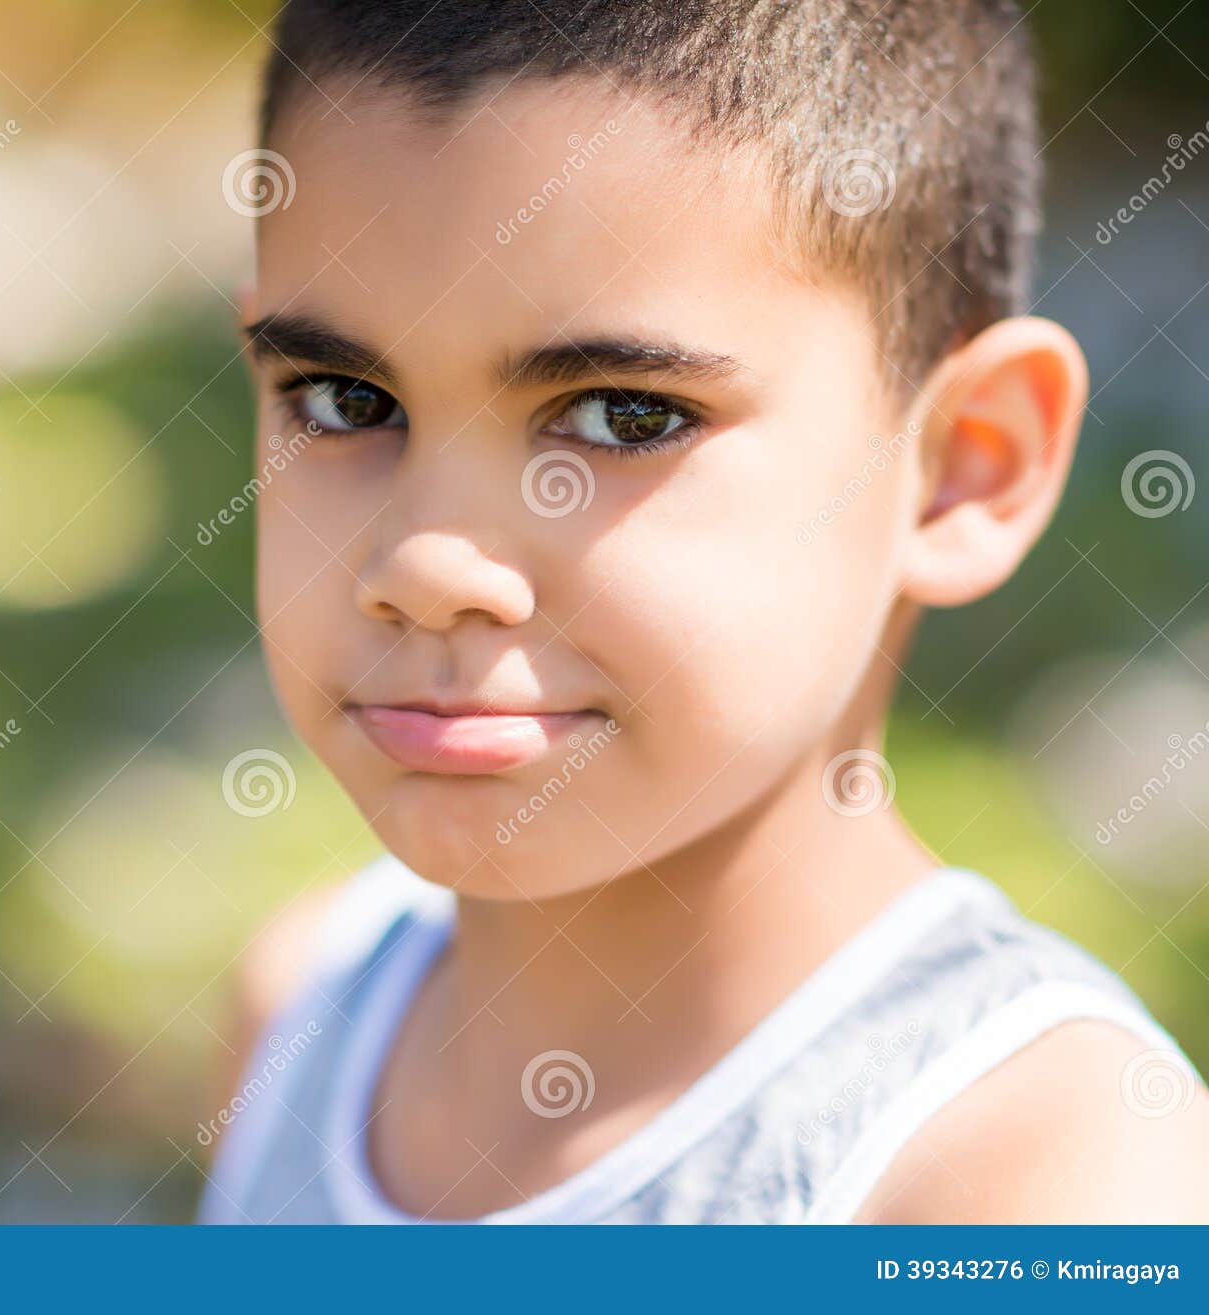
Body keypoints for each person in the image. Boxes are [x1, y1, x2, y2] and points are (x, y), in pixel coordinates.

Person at [199, 0, 1209, 1224]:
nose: (424, 561)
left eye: (623, 416)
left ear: (962, 465)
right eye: (345, 399)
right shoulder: (302, 1013)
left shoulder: (1038, 1177)